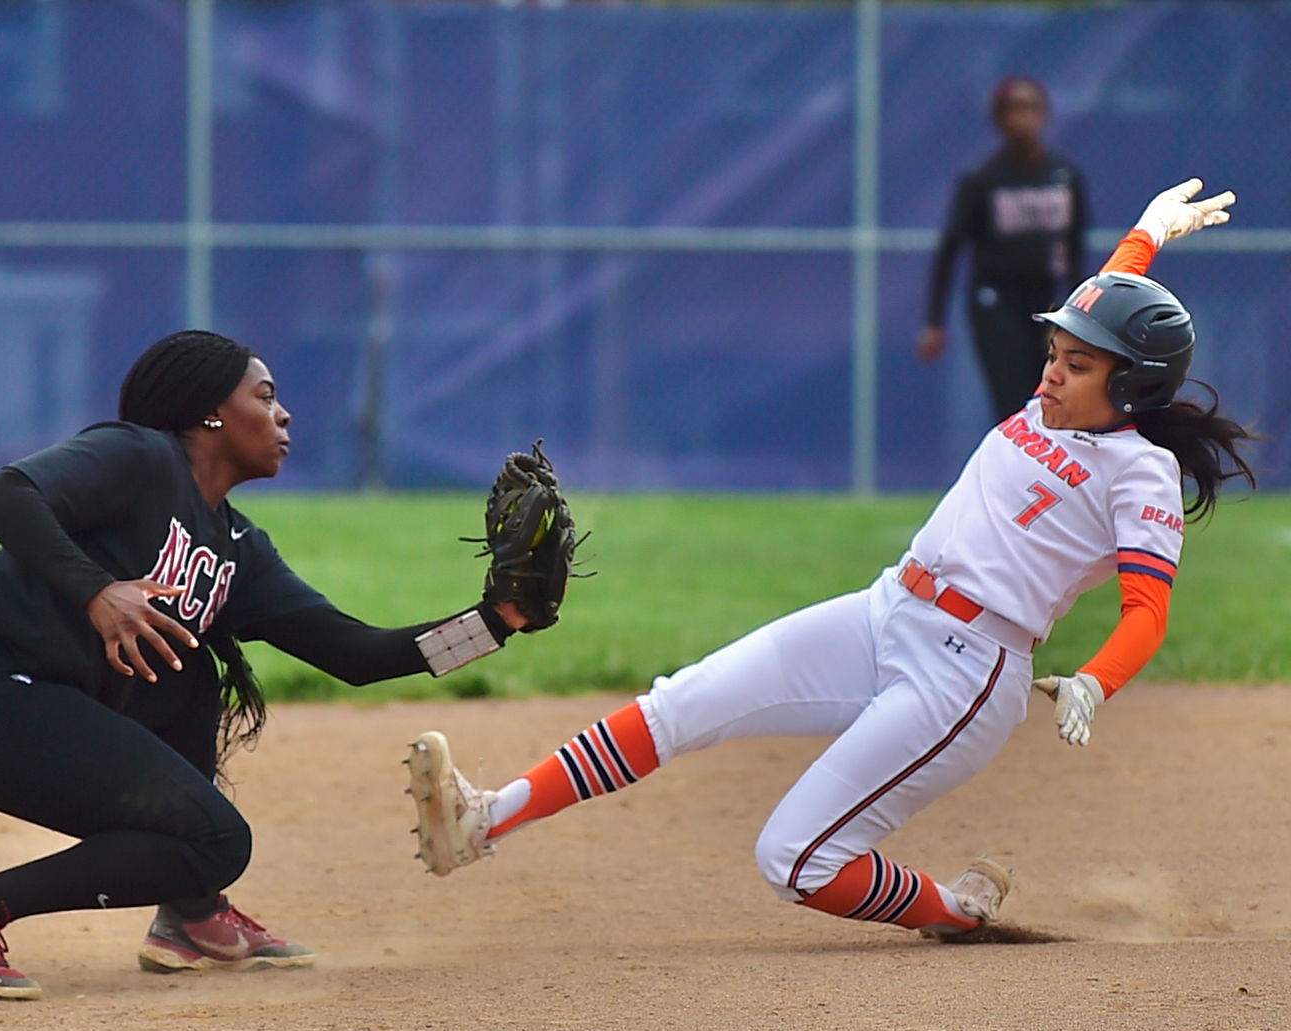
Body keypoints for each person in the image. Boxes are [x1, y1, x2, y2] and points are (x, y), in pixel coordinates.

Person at [408, 181, 1249, 942]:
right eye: (1055, 355)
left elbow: (1148, 611)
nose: (1054, 371)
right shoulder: (1051, 405)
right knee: (680, 705)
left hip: (965, 676)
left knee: (794, 860)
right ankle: (481, 822)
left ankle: (954, 909)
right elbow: (1104, 307)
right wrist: (1147, 234)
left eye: (1078, 363)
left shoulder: (1140, 473)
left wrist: (1097, 682)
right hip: (886, 609)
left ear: (1131, 385)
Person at [0, 330, 549, 1000]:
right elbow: (2, 495)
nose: (284, 413)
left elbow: (357, 655)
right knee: (219, 841)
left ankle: (191, 913)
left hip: (39, 699)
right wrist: (95, 589)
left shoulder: (237, 548)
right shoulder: (140, 456)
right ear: (209, 414)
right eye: (264, 396)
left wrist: (497, 622)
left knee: (193, 672)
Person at [920, 75, 1090, 423]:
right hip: (996, 301)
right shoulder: (983, 179)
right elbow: (950, 248)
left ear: (1044, 114)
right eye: (1013, 109)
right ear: (998, 119)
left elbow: (1073, 248)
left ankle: (1046, 477)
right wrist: (935, 321)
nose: (1022, 118)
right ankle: (1011, 477)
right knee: (1012, 404)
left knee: (1050, 397)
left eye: (1031, 108)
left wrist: (1079, 311)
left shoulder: (1063, 175)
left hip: (1046, 300)